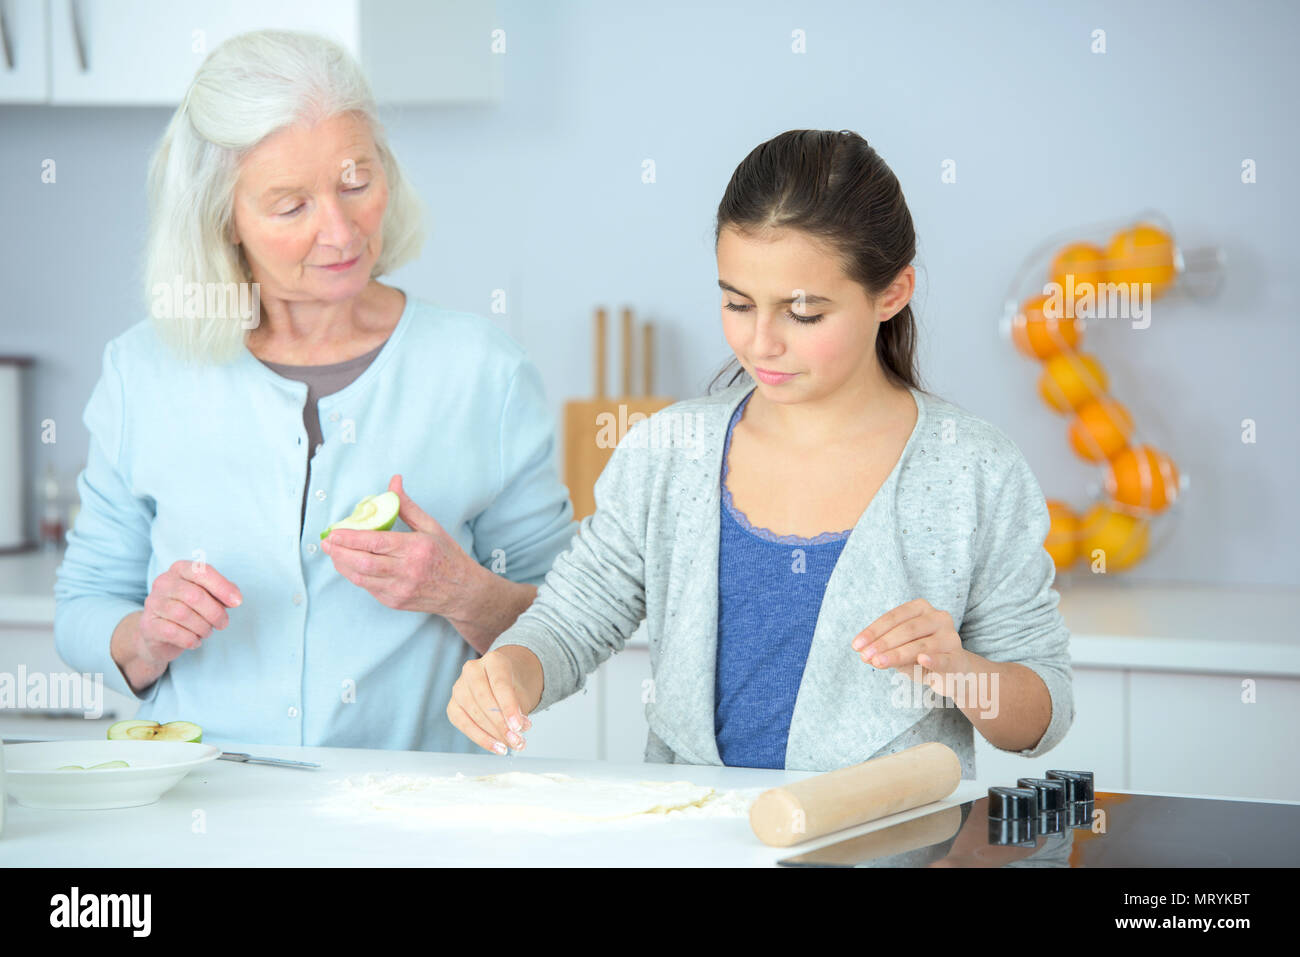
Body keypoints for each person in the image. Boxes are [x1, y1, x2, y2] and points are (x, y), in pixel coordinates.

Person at [447, 129, 1073, 775]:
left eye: (804, 313)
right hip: (693, 837)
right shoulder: (669, 452)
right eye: (737, 303)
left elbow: (1042, 718)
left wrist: (963, 672)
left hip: (893, 845)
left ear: (892, 292)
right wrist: (510, 673)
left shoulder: (973, 470)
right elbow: (571, 620)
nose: (761, 342)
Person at [53, 30, 574, 751]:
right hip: (200, 815)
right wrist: (145, 637)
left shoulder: (482, 372)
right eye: (290, 205)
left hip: (411, 823)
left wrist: (463, 591)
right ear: (222, 219)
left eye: (356, 182)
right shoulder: (145, 371)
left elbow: (572, 622)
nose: (340, 230)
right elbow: (81, 605)